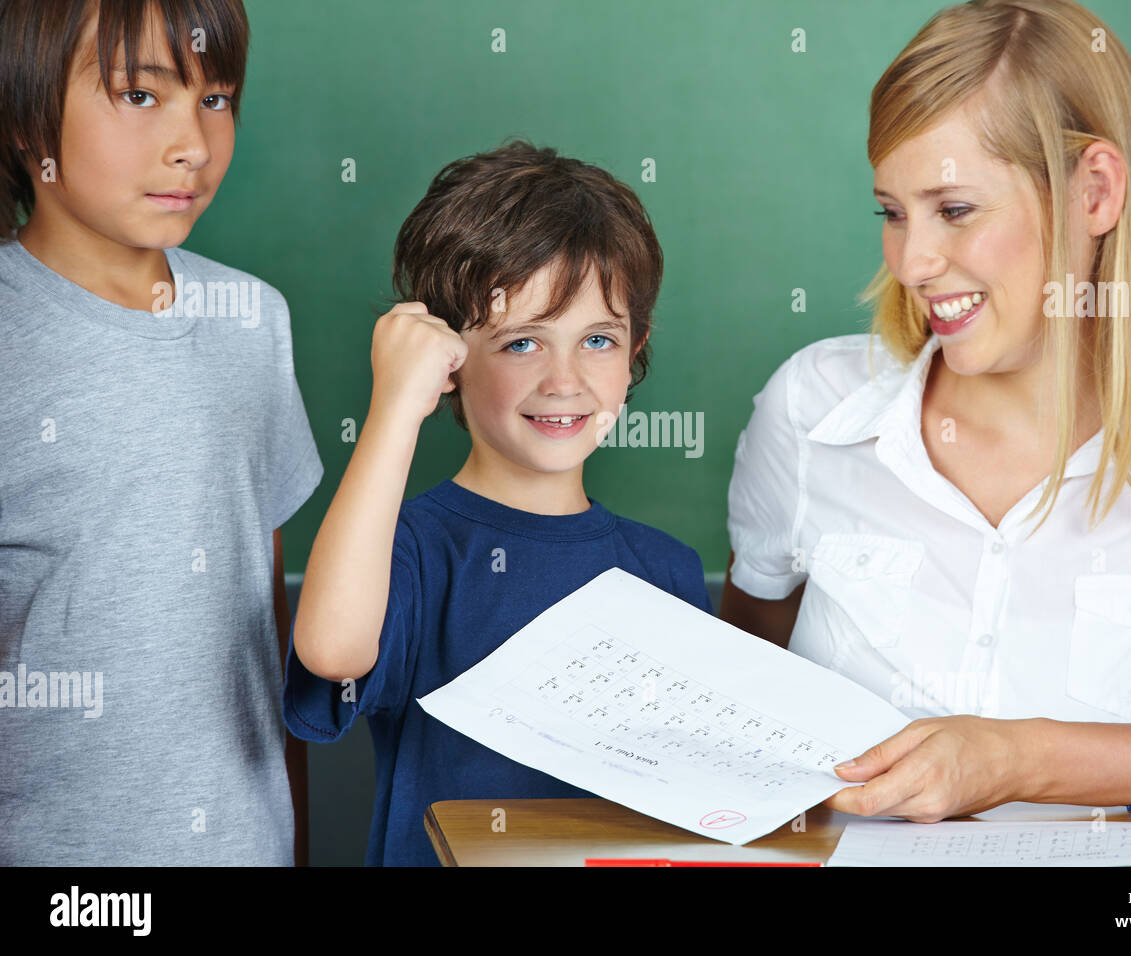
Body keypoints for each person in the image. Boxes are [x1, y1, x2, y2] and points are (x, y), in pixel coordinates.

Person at [721, 0, 1131, 822]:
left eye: (955, 209)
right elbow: (740, 680)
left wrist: (1017, 756)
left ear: (1095, 193)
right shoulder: (813, 409)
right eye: (891, 212)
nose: (913, 261)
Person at [282, 140, 713, 866]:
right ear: (448, 359)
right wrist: (394, 405)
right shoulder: (415, 551)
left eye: (599, 339)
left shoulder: (667, 570)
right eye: (522, 345)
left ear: (636, 349)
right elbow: (331, 650)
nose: (565, 380)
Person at [0, 0, 321, 863]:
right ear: (28, 117)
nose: (194, 144)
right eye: (140, 96)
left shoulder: (254, 321)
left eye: (215, 99)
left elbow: (265, 607)